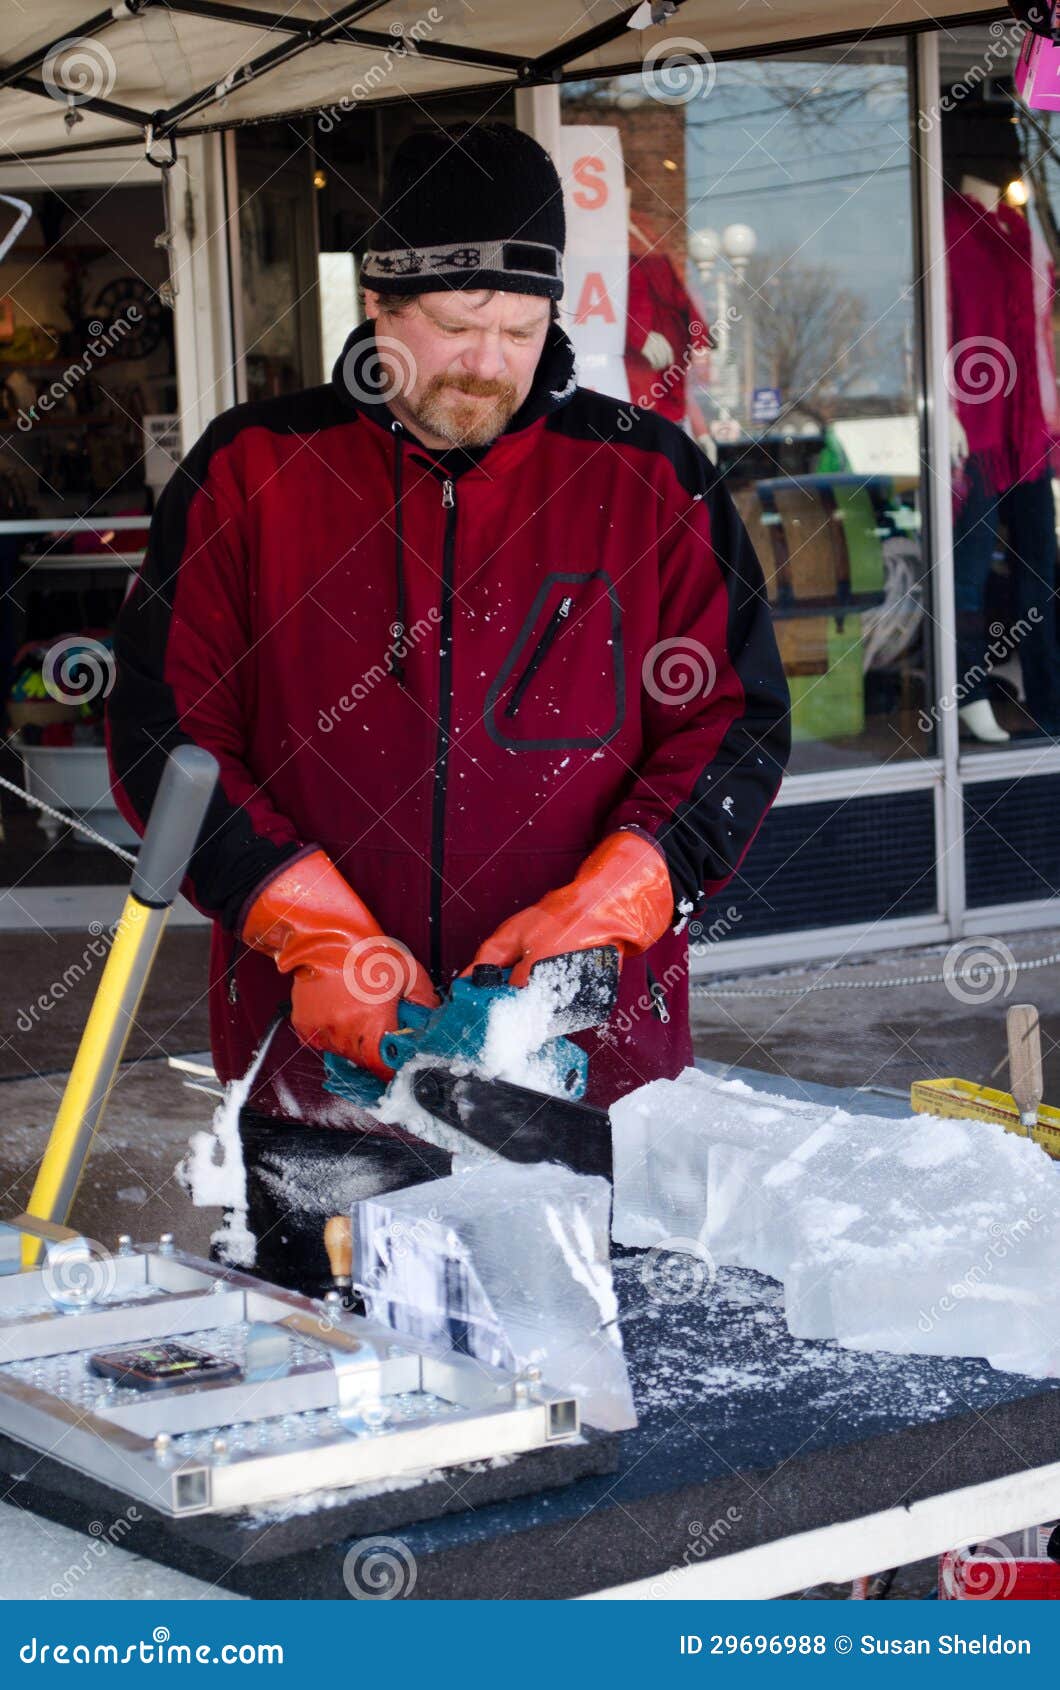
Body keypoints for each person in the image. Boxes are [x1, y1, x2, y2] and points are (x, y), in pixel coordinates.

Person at [107, 123, 790, 1296]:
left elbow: (735, 726)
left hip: (583, 1059)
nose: (489, 362)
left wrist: (613, 900)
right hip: (317, 1063)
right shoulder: (251, 472)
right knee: (339, 1391)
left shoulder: (650, 476)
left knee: (590, 1387)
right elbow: (170, 732)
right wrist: (309, 926)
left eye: (519, 330)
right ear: (379, 305)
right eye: (457, 326)